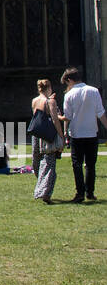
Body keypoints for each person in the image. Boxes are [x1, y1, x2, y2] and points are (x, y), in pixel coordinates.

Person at [60, 67, 105, 203]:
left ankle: (80, 193)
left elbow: (67, 117)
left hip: (77, 134)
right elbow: (101, 113)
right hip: (92, 132)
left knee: (77, 164)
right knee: (91, 164)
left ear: (69, 80)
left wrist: (59, 118)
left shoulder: (69, 95)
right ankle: (90, 192)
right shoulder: (94, 91)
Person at [31, 79, 64, 205]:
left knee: (38, 162)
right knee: (49, 162)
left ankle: (41, 188)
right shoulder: (50, 101)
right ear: (49, 87)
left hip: (37, 135)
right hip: (47, 135)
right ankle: (45, 193)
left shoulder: (34, 101)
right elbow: (55, 120)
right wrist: (61, 136)